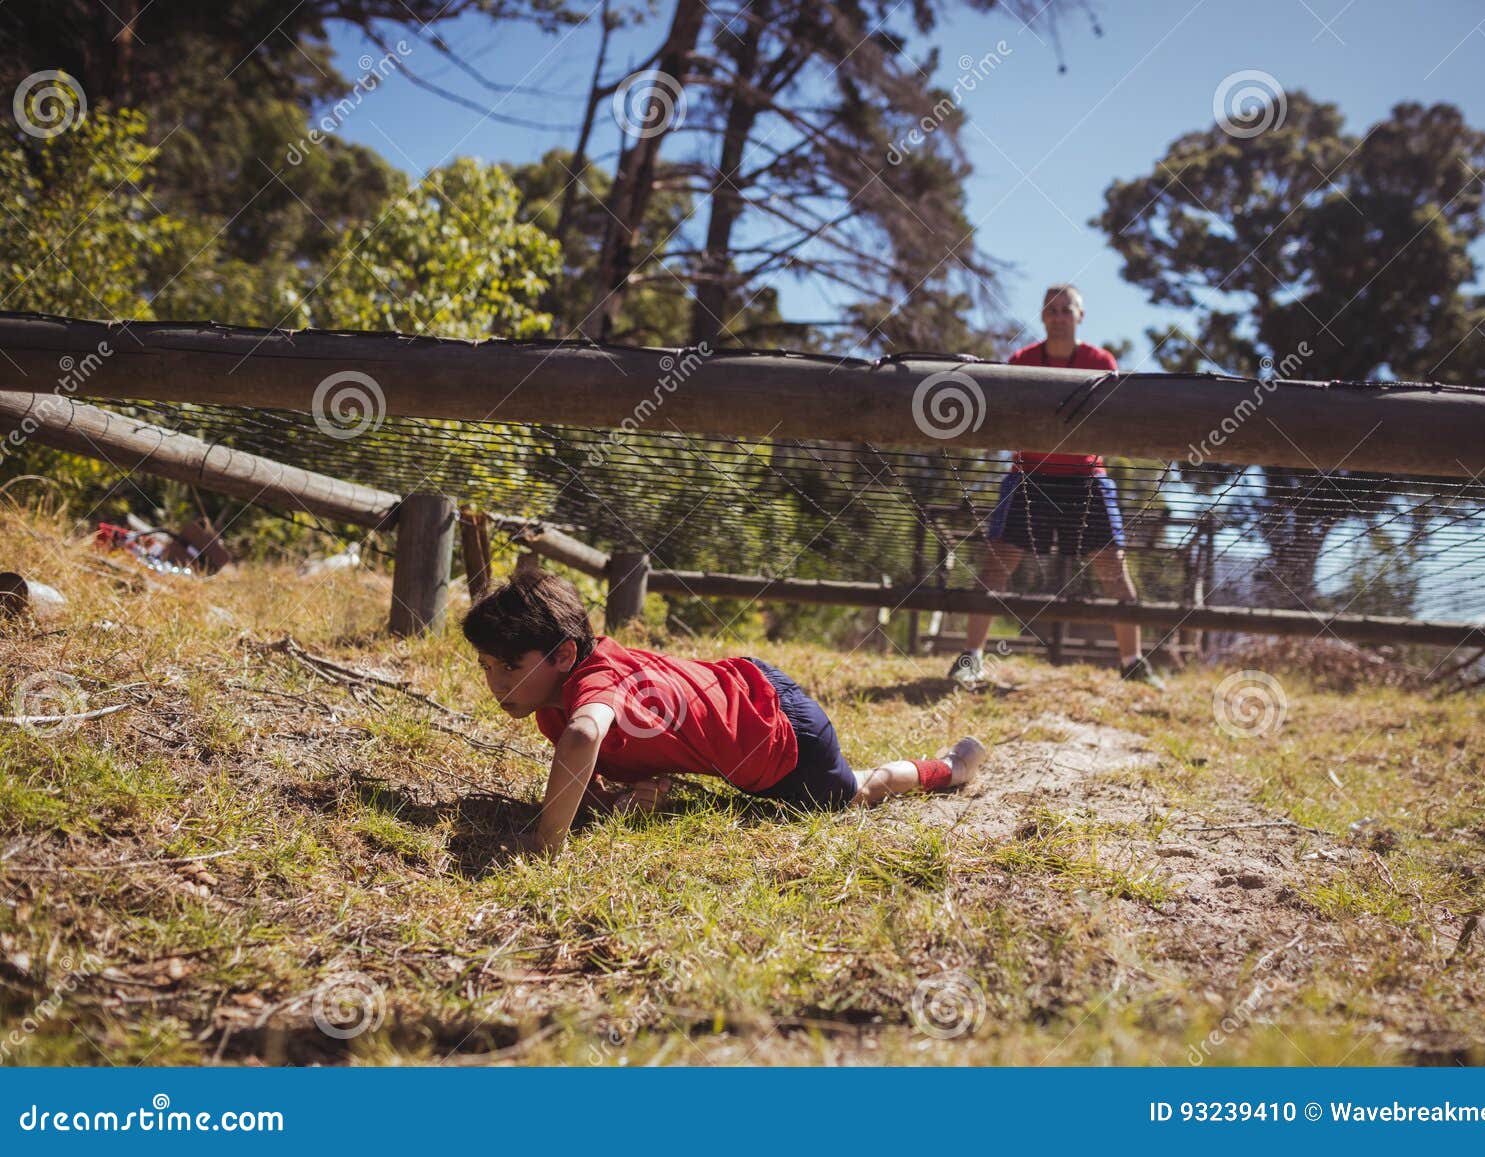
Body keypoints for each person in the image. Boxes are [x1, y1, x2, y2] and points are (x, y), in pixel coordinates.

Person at [464, 569, 988, 857]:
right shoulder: (555, 700)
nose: (496, 682)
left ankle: (952, 768)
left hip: (783, 738)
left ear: (561, 656)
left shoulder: (591, 688)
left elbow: (584, 735)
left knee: (857, 792)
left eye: (509, 666)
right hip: (748, 686)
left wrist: (544, 840)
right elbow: (623, 745)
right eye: (486, 666)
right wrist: (624, 798)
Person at [950, 283, 1164, 688]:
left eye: (1066, 309)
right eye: (1051, 310)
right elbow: (1007, 415)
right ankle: (970, 659)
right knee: (995, 565)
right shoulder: (1022, 360)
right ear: (1043, 316)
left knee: (1114, 569)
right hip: (1029, 475)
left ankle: (1132, 662)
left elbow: (1109, 419)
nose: (1059, 316)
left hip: (1086, 477)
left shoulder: (1100, 360)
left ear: (1080, 316)